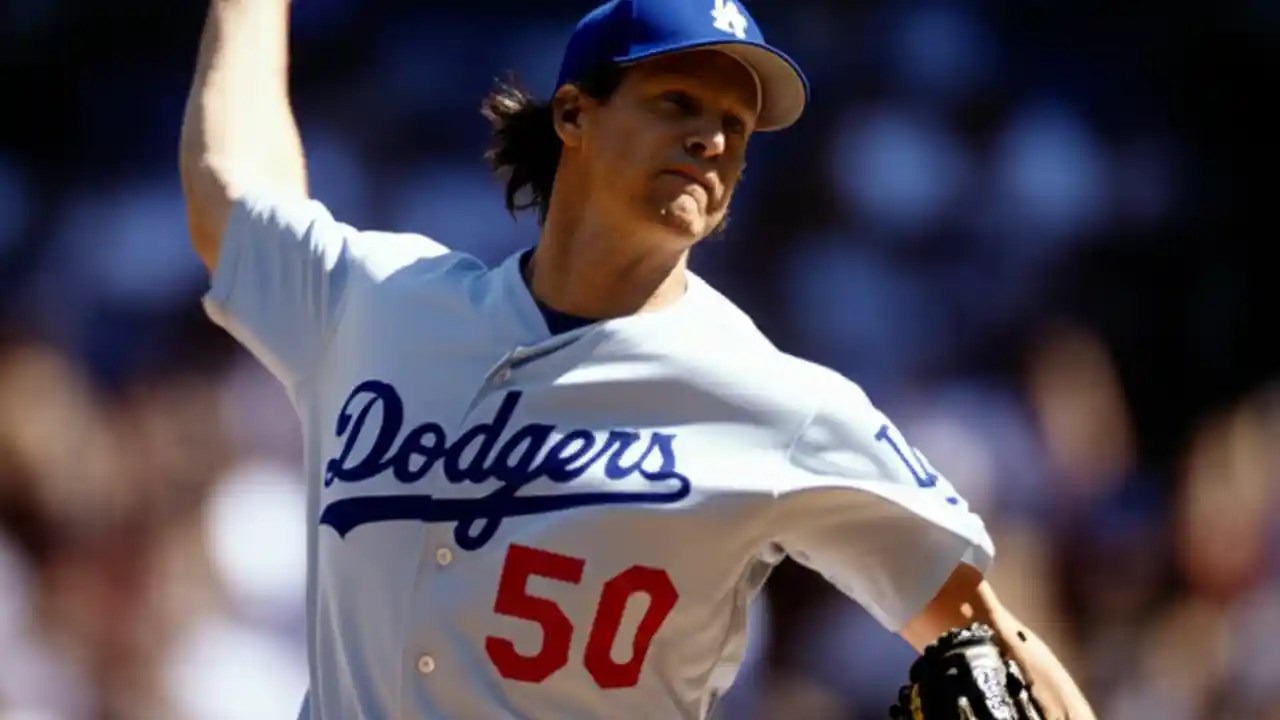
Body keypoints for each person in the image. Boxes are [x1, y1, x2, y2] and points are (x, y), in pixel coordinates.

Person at [178, 0, 1097, 718]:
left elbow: (991, 640)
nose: (713, 139)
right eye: (677, 103)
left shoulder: (773, 404)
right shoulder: (383, 305)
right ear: (573, 114)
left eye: (736, 125)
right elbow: (230, 194)